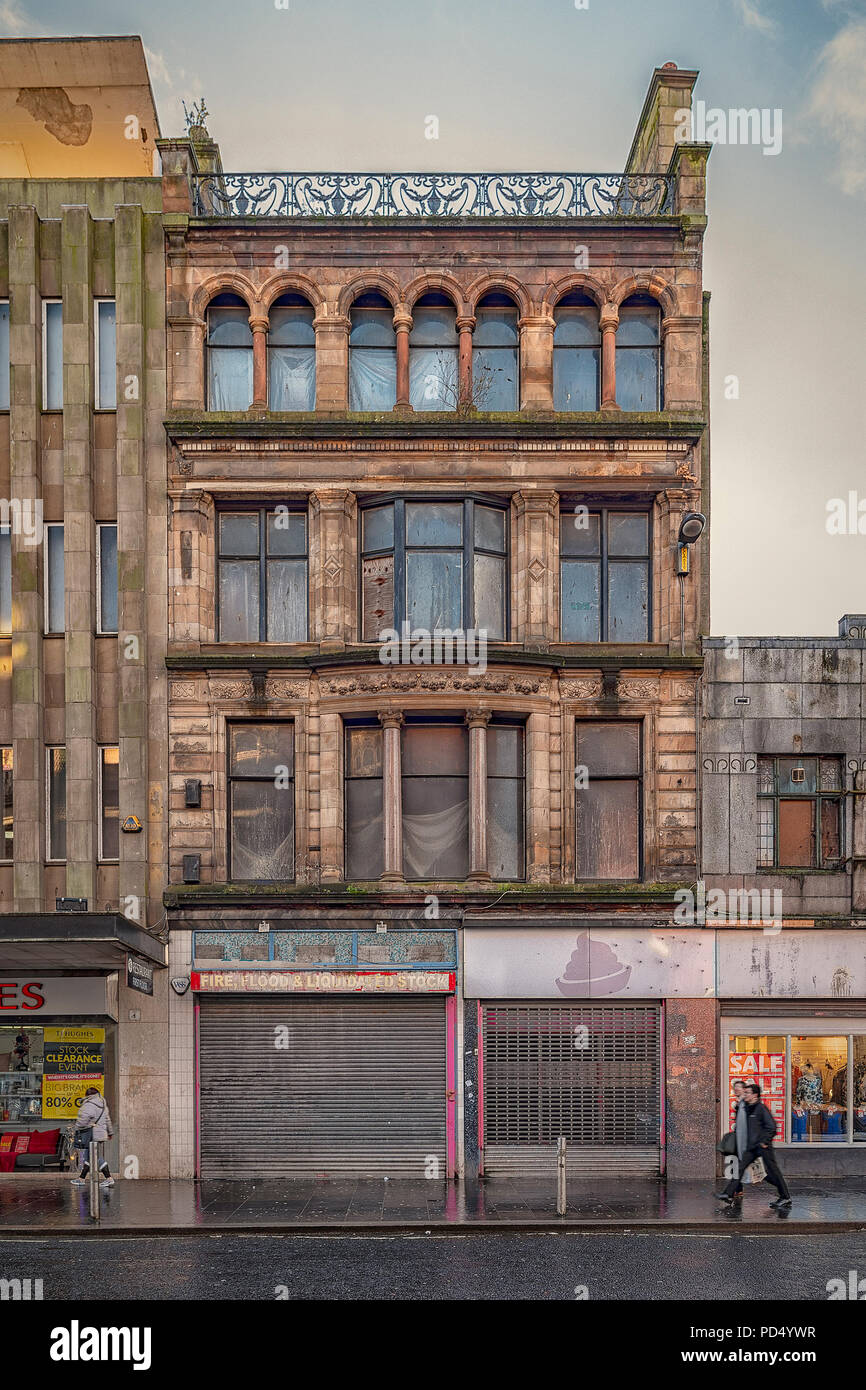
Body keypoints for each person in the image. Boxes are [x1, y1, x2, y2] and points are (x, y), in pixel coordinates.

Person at [716, 1082, 791, 1209]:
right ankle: (728, 1194)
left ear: (755, 1095)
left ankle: (785, 1197)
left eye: (747, 1093)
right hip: (752, 1147)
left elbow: (772, 1127)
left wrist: (764, 1142)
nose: (745, 1095)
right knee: (739, 1168)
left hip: (762, 1147)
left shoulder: (761, 1108)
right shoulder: (747, 1107)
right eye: (744, 1093)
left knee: (773, 1172)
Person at [72, 1087, 115, 1188]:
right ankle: (81, 1179)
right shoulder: (103, 1104)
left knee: (96, 1158)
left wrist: (77, 1128)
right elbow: (108, 1119)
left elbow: (82, 1120)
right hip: (100, 1134)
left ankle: (109, 1178)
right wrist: (110, 1132)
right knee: (89, 1157)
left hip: (91, 1134)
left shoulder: (89, 1104)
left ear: (87, 1095)